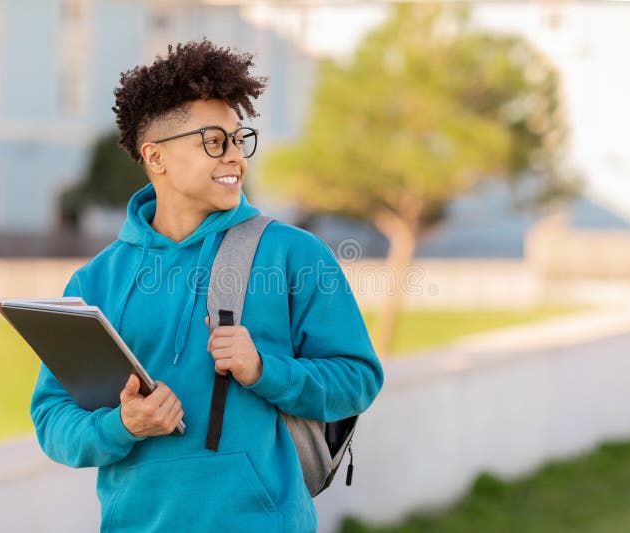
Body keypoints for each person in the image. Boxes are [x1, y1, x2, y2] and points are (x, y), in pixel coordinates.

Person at [30, 39, 383, 533]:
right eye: (215, 141)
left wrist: (265, 369)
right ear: (156, 158)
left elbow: (359, 379)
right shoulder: (96, 281)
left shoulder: (293, 255)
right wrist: (122, 425)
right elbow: (53, 419)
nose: (235, 157)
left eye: (240, 140)